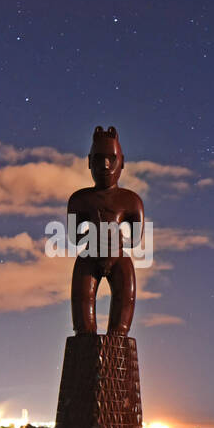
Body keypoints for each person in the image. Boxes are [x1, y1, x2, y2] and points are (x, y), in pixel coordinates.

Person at [66, 126, 145, 335]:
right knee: (82, 304)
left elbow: (136, 238)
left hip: (118, 257)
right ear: (89, 161)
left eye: (111, 158)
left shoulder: (131, 200)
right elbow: (74, 237)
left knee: (124, 298)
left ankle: (118, 336)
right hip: (89, 257)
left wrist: (118, 239)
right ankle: (85, 337)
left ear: (122, 161)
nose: (105, 165)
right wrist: (92, 235)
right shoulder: (79, 200)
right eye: (99, 159)